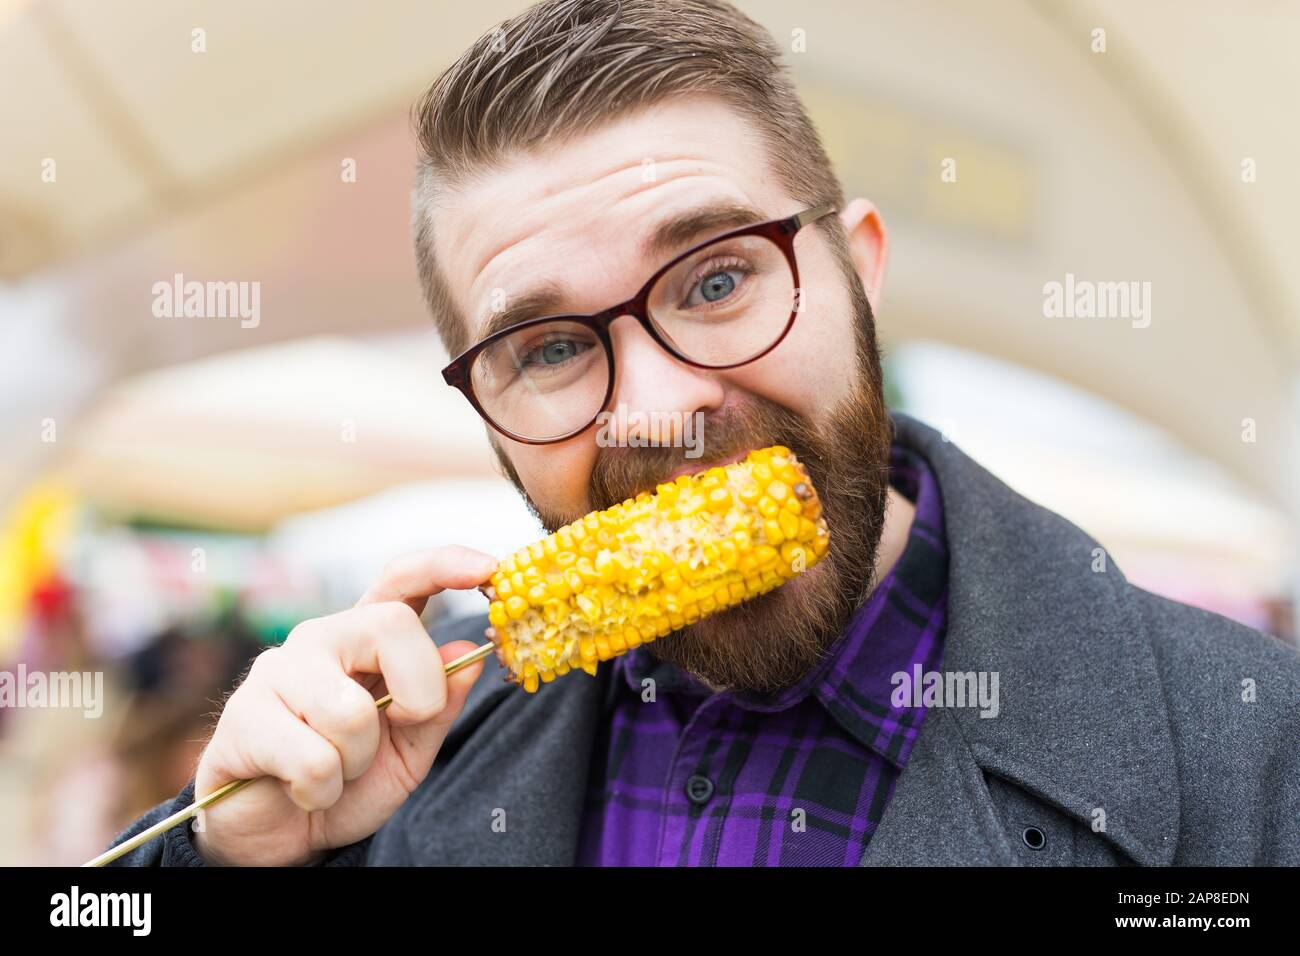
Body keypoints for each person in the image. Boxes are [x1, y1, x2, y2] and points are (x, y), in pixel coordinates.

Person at [109, 0, 1300, 867]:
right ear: (484, 413)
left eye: (716, 279)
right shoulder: (412, 744)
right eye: (552, 348)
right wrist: (229, 862)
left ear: (861, 273)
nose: (659, 404)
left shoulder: (1255, 748)